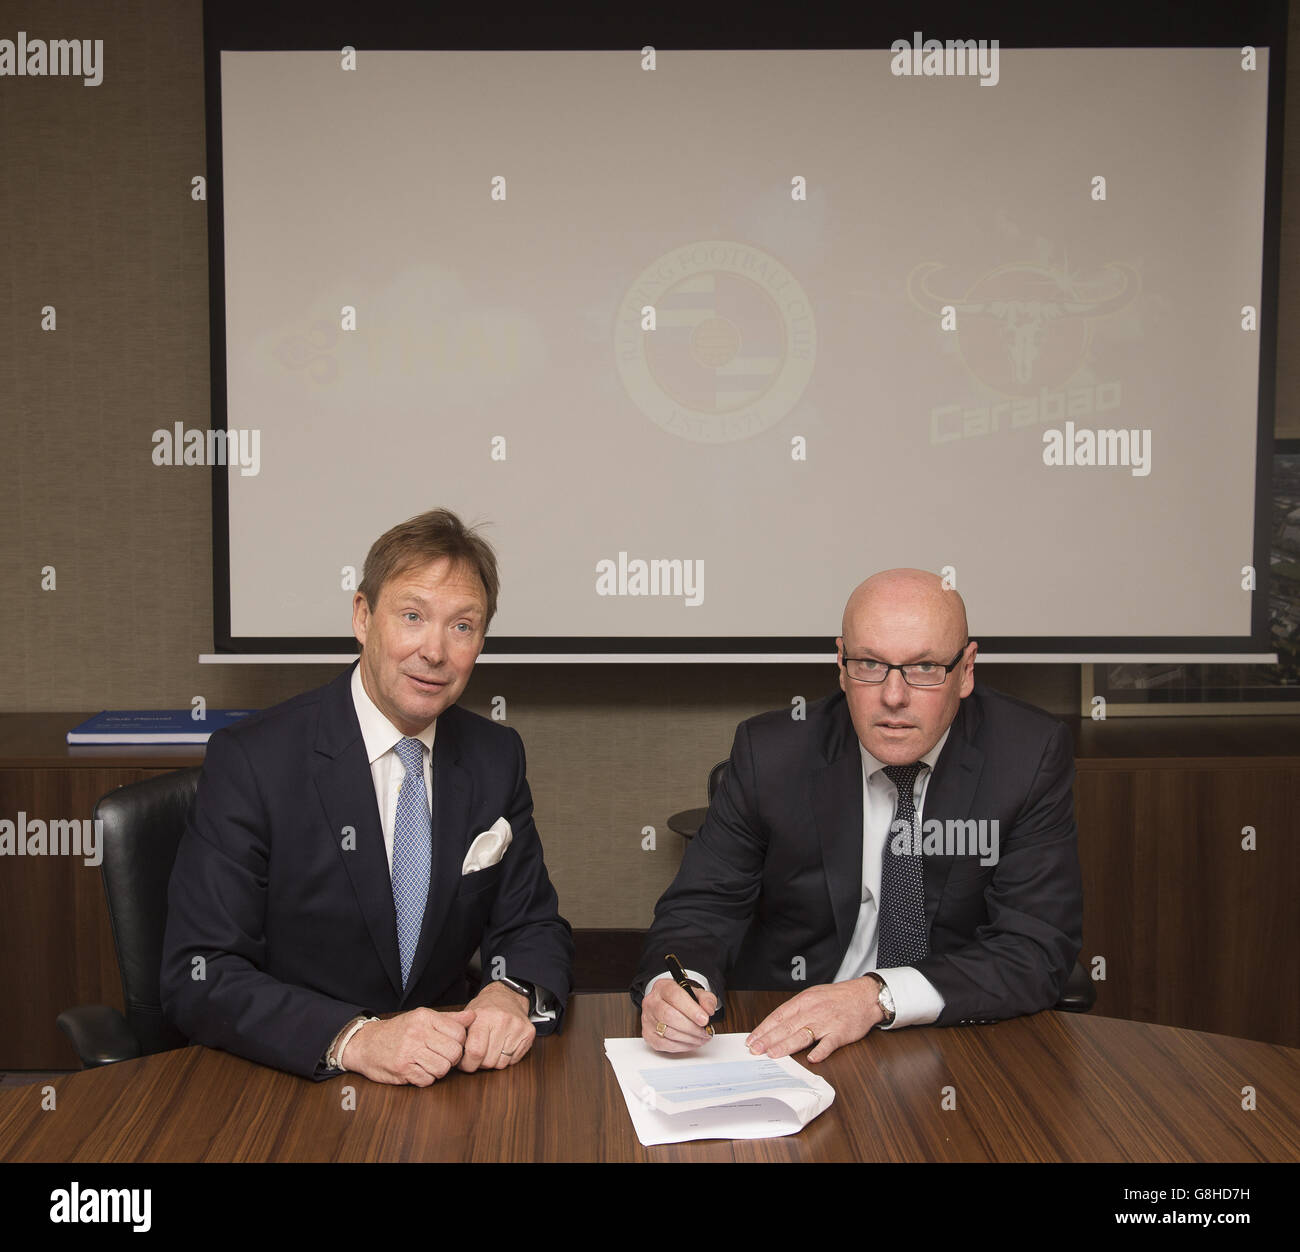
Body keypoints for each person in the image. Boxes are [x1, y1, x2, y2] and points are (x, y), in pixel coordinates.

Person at [161, 509, 573, 1083]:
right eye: (412, 616)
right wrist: (355, 1039)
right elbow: (200, 972)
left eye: (462, 626)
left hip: (444, 1079)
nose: (435, 651)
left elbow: (533, 924)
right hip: (291, 1080)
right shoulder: (254, 760)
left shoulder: (495, 756)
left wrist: (510, 991)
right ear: (362, 616)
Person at [633, 568, 1082, 1062]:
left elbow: (1035, 948)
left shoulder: (1026, 755)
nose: (894, 696)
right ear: (841, 665)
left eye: (925, 667)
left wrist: (876, 997)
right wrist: (678, 985)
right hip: (787, 1039)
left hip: (952, 1036)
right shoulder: (771, 753)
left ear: (967, 669)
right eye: (869, 663)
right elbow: (701, 908)